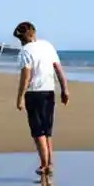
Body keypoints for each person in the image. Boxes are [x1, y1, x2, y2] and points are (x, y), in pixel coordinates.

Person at [12, 21, 70, 177]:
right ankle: (49, 163)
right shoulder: (47, 46)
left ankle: (45, 164)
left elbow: (26, 76)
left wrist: (20, 97)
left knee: (38, 131)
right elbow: (58, 68)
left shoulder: (25, 51)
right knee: (47, 130)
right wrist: (64, 89)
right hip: (49, 91)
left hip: (34, 92)